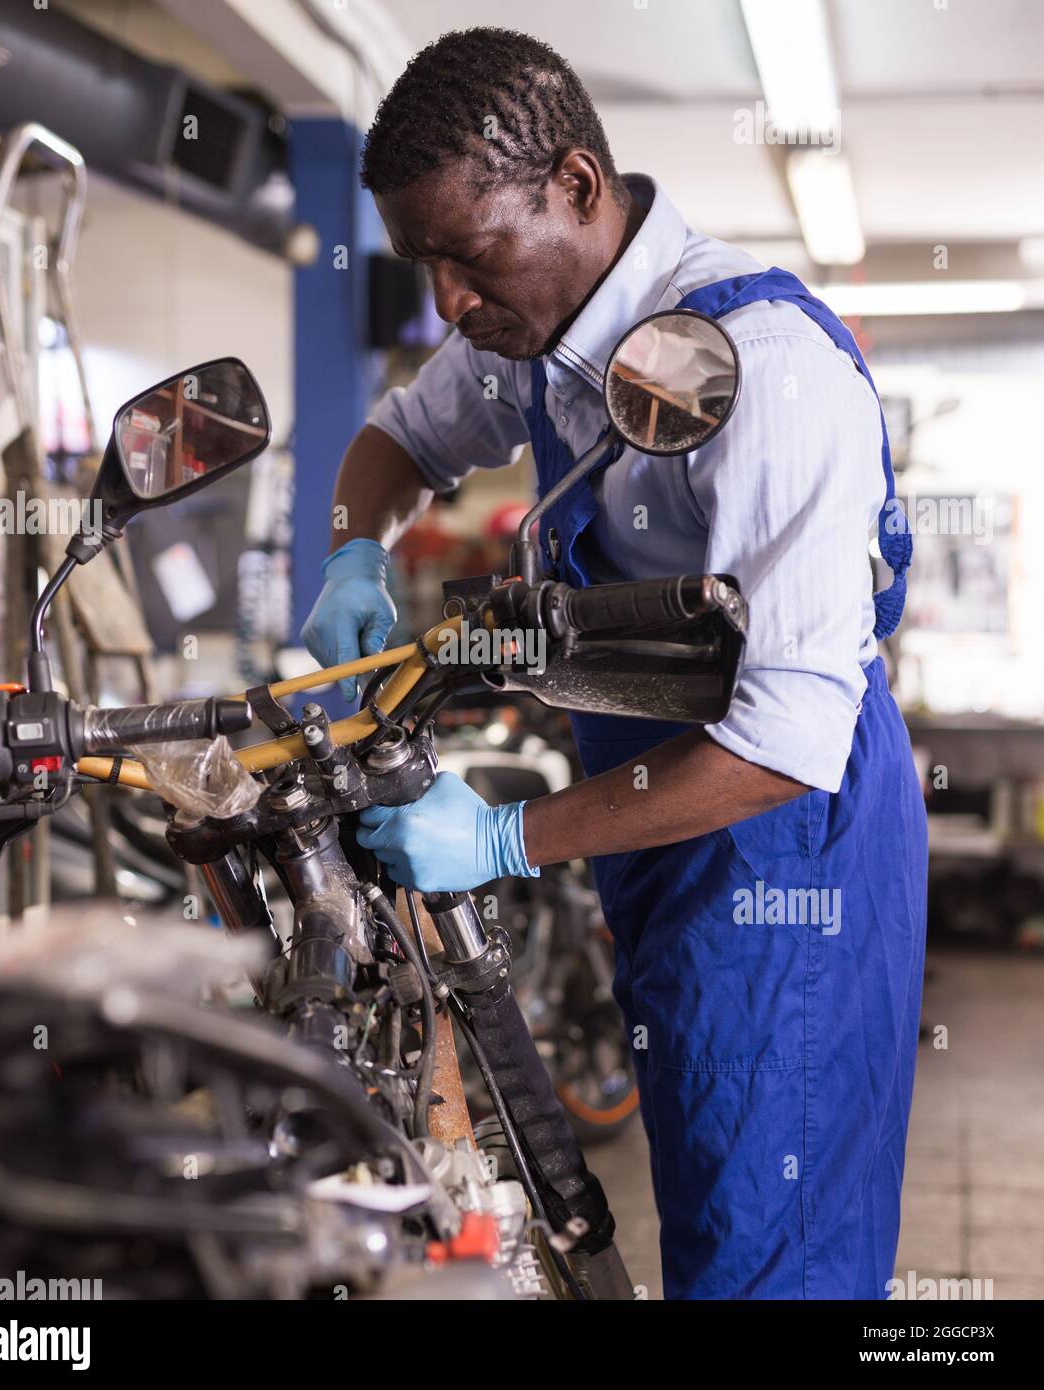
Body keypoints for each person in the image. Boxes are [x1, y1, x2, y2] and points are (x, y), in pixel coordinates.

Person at [301, 27, 927, 1300]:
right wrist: (348, 557)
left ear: (576, 189)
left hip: (781, 854)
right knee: (707, 1187)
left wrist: (504, 841)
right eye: (425, 265)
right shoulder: (530, 332)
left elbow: (784, 743)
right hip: (659, 836)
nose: (448, 306)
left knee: (769, 1252)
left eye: (468, 258)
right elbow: (394, 438)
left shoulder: (764, 372)